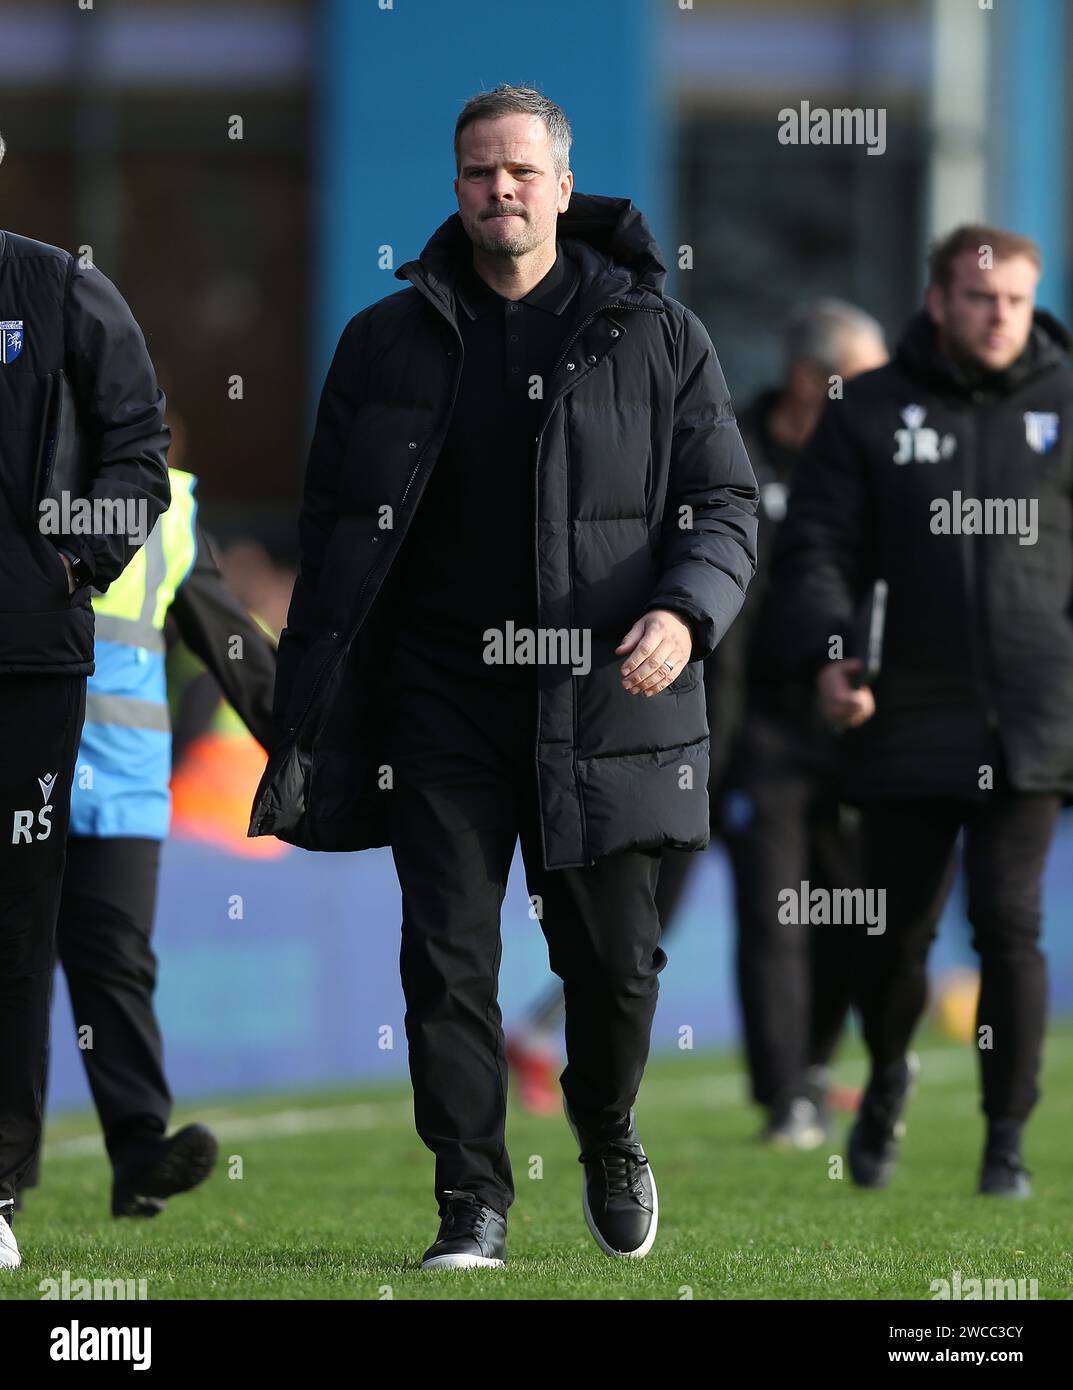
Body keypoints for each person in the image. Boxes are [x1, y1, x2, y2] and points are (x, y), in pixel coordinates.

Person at [249, 84, 758, 1267]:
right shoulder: (382, 342)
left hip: (602, 694)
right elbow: (332, 526)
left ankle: (608, 1127)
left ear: (563, 186)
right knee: (444, 953)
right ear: (457, 187)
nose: (500, 191)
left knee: (613, 965)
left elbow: (724, 503)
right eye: (479, 172)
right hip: (441, 698)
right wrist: (310, 681)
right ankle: (469, 1200)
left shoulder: (657, 333)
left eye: (521, 172)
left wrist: (686, 613)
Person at [507, 302, 887, 1145]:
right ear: (806, 379)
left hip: (827, 734)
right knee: (679, 916)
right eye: (862, 381)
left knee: (838, 910)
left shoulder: (863, 466)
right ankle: (783, 1093)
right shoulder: (729, 449)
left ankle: (807, 1075)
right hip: (715, 732)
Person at [774, 224, 1073, 1198]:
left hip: (1031, 717)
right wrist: (831, 654)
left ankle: (1004, 1143)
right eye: (979, 298)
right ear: (937, 299)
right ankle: (889, 1070)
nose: (998, 317)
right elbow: (814, 551)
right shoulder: (863, 409)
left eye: (1015, 301)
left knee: (1009, 924)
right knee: (894, 937)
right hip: (901, 715)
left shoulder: (1065, 403)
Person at [16, 463, 278, 1220]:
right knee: (17, 973)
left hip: (122, 786)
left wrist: (313, 749)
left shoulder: (169, 508)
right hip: (24, 769)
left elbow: (231, 642)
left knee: (118, 965)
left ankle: (139, 1152)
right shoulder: (19, 478)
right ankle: (10, 1175)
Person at [0, 132, 172, 1270]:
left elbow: (138, 452)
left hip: (22, 664)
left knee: (13, 927)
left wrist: (62, 565)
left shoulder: (56, 284)